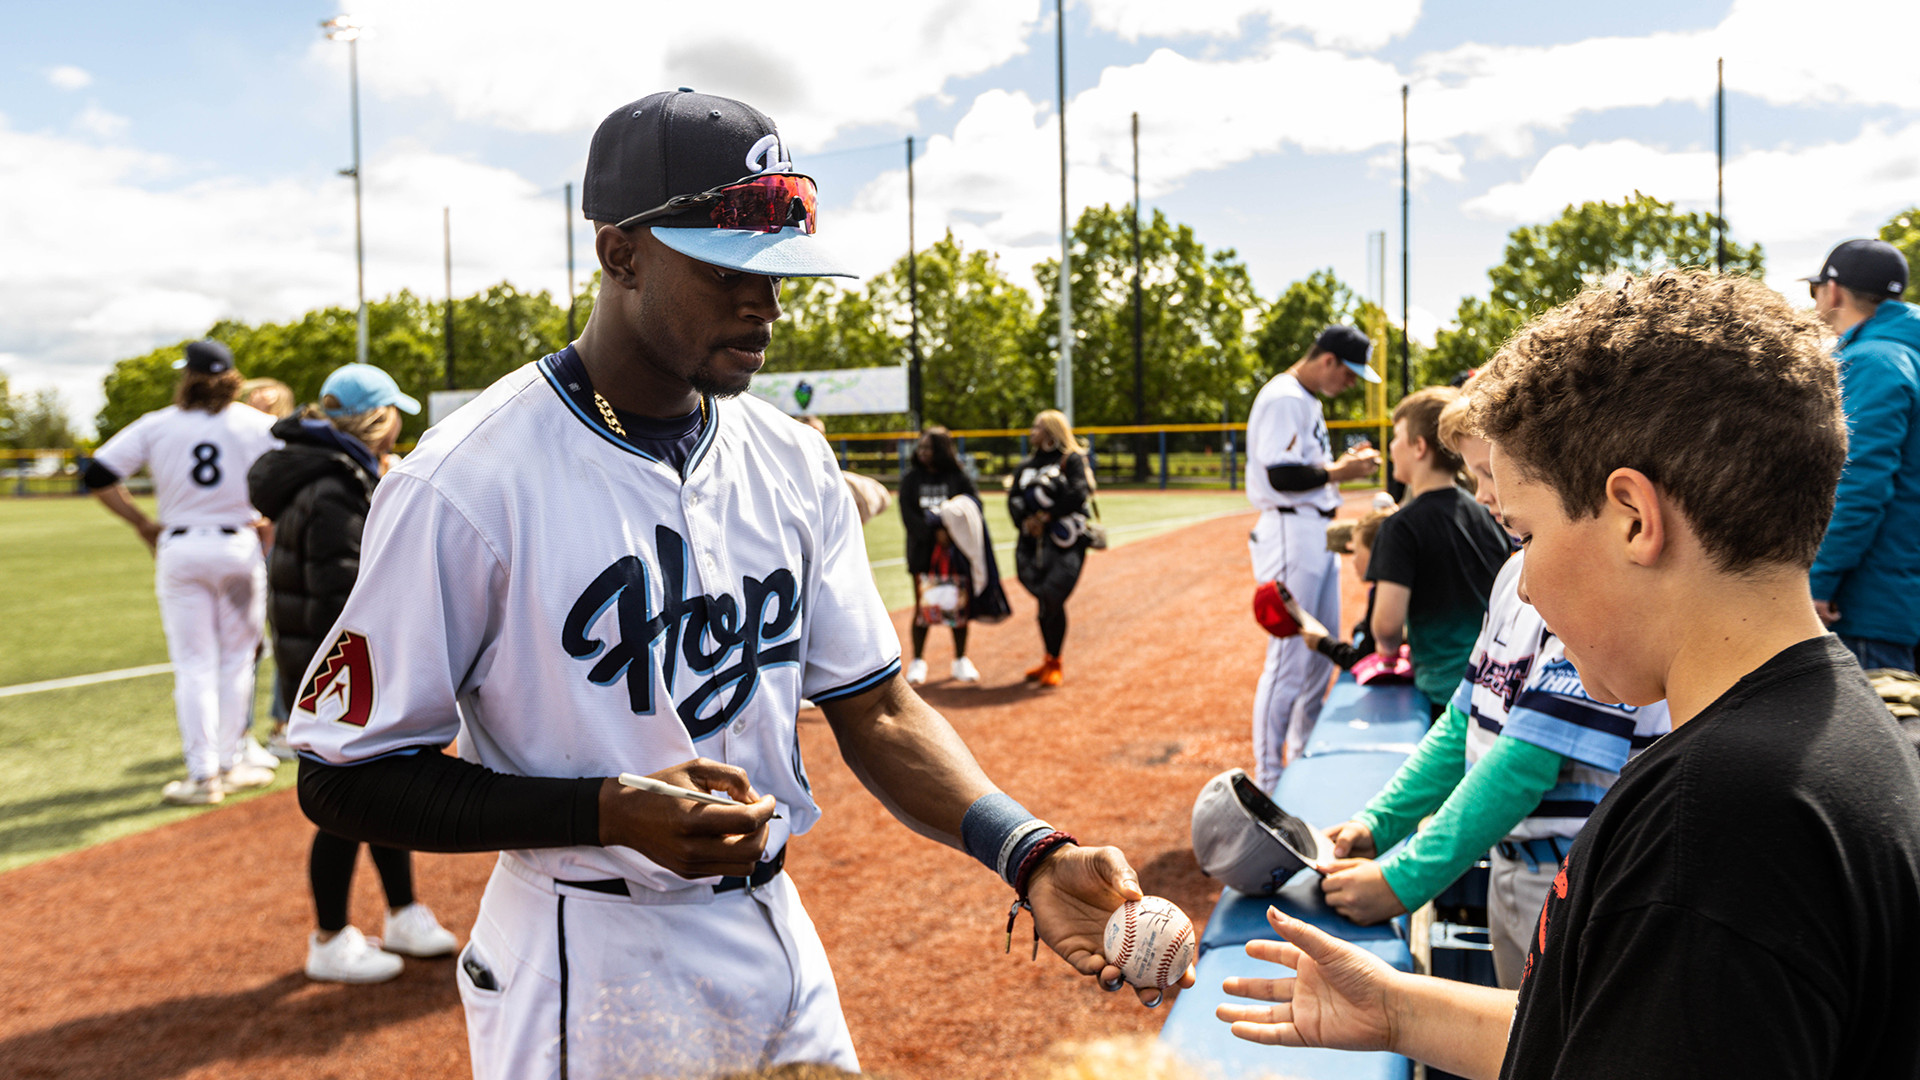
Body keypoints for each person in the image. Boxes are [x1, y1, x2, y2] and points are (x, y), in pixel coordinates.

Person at [288, 89, 1181, 1080]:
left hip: (775, 930)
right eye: (726, 268)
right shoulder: (467, 483)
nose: (766, 302)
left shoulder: (792, 463)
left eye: (779, 271)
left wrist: (1030, 852)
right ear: (619, 251)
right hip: (587, 956)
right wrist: (604, 812)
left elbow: (878, 709)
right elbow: (343, 770)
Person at [1216, 270, 1920, 1078]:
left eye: (1523, 532)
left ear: (1634, 518)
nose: (1530, 583)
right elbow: (1609, 1029)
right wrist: (1399, 1009)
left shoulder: (1716, 830)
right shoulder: (1829, 733)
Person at [1311, 392, 1670, 988]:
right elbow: (1464, 719)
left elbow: (1524, 765)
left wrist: (1405, 880)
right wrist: (1379, 824)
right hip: (1512, 868)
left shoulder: (1593, 587)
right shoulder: (1512, 577)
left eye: (1490, 472)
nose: (1480, 493)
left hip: (1574, 876)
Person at [248, 363, 458, 984]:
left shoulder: (327, 472)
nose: (398, 424)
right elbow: (346, 590)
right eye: (393, 413)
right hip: (340, 672)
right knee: (348, 797)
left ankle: (401, 911)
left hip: (329, 664)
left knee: (383, 783)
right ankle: (330, 936)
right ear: (376, 418)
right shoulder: (337, 482)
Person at [86, 340, 282, 805]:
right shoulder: (257, 423)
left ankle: (203, 775)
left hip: (181, 546)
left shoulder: (158, 424)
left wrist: (141, 524)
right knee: (237, 661)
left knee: (194, 664)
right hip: (239, 544)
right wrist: (271, 516)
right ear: (232, 377)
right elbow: (296, 467)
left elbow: (96, 474)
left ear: (187, 378)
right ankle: (233, 763)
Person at [1243, 326, 1381, 788]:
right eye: (1350, 373)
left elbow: (1304, 466)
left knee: (1319, 653)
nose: (1352, 383)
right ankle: (1269, 778)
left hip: (1312, 529)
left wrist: (1340, 464)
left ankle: (1300, 761)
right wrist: (1345, 468)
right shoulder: (1285, 397)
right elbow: (1281, 476)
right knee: (1288, 659)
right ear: (1328, 360)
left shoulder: (1306, 400)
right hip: (1289, 528)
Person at [1803, 238, 1920, 673]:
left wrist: (1819, 581)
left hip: (1866, 606)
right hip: (1899, 602)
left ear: (1832, 292)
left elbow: (1857, 481)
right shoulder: (1907, 355)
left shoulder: (1871, 362)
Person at [1365, 386, 1509, 715]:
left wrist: (1388, 651)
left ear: (1419, 447)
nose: (1391, 447)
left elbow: (1386, 627)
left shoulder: (1400, 527)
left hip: (1442, 692)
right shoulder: (1484, 511)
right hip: (1494, 679)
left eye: (1397, 436)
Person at [1009, 409, 1095, 688]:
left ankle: (1055, 661)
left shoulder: (1071, 460)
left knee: (1052, 597)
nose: (1032, 432)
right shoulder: (1024, 466)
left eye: (1037, 427)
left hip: (1065, 542)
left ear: (1051, 432)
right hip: (1030, 542)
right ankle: (1049, 659)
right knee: (1044, 601)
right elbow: (1014, 500)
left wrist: (1047, 516)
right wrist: (1026, 520)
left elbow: (1079, 492)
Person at [901, 425, 982, 684]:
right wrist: (933, 533)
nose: (923, 452)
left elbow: (973, 505)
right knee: (924, 606)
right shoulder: (912, 479)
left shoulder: (957, 477)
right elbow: (908, 514)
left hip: (954, 552)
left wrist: (950, 531)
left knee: (957, 606)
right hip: (922, 554)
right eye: (921, 447)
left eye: (928, 447)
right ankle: (918, 661)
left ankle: (960, 659)